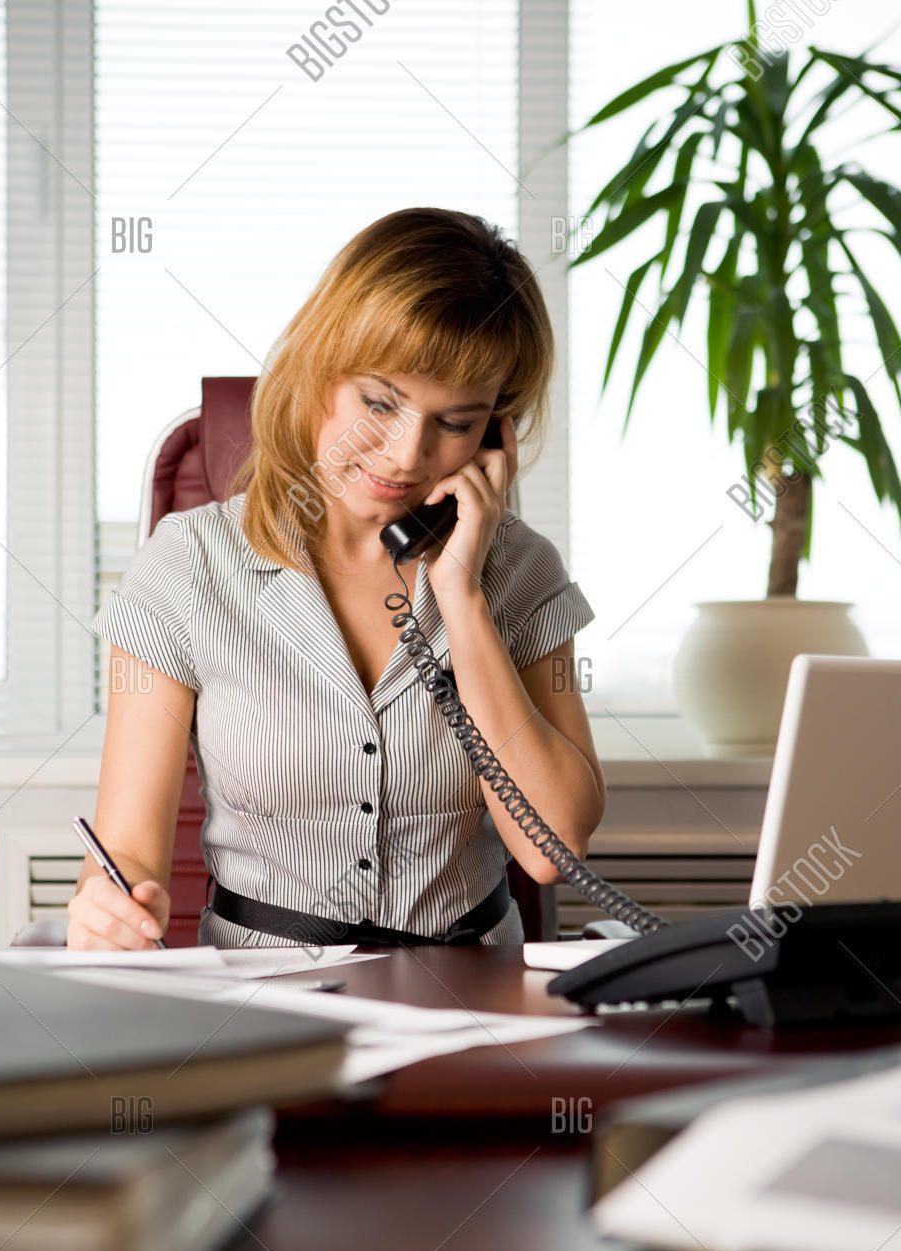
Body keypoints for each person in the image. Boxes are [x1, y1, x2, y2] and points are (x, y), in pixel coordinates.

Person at [71, 207, 605, 951]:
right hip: (262, 1004)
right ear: (318, 373)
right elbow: (125, 855)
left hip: (474, 1001)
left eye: (455, 421)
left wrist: (463, 598)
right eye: (379, 403)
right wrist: (107, 907)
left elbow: (553, 851)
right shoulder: (187, 563)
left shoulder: (521, 569)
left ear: (495, 434)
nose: (405, 454)